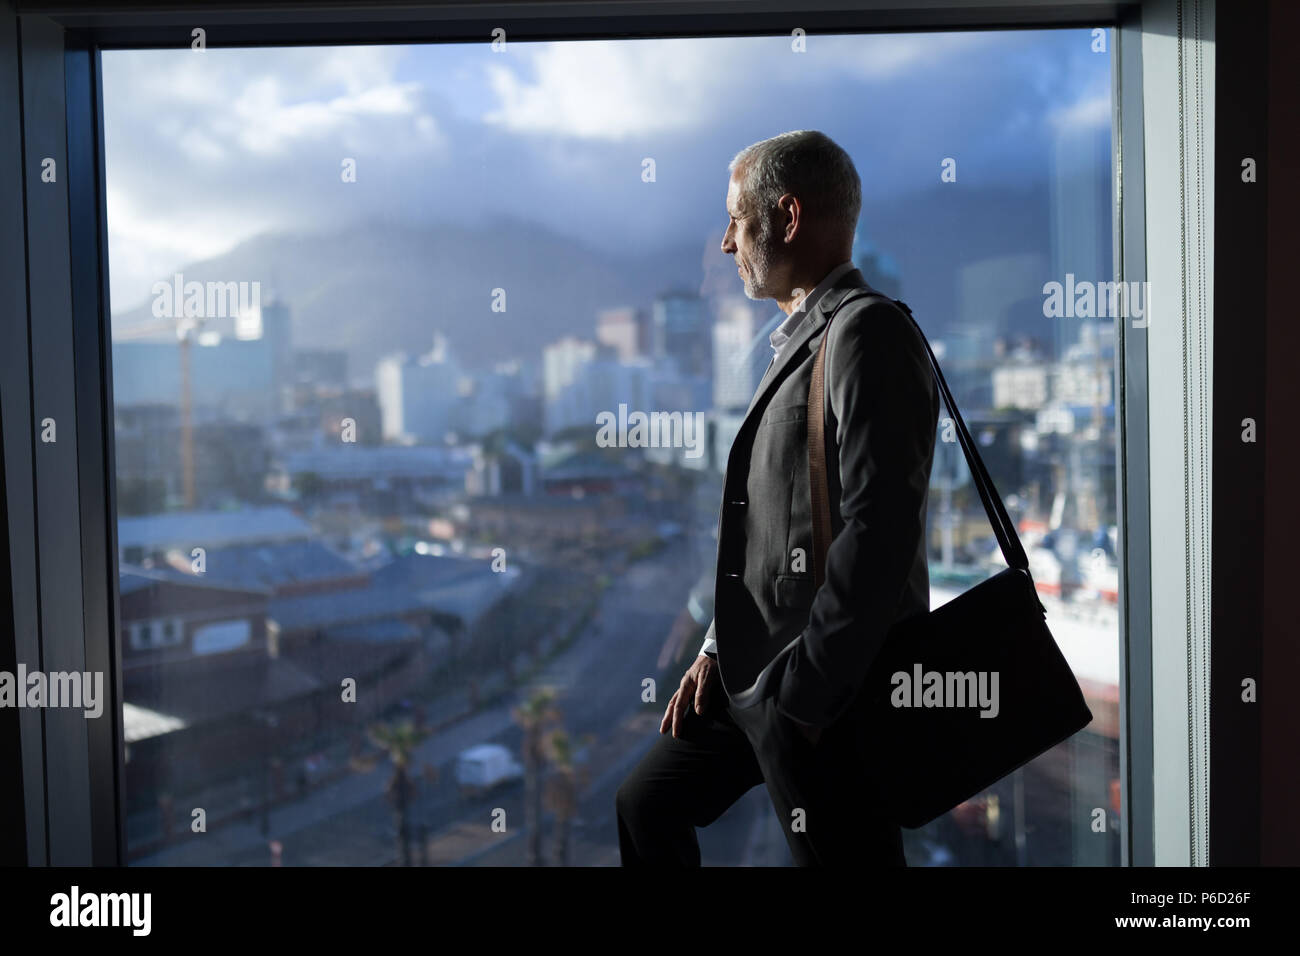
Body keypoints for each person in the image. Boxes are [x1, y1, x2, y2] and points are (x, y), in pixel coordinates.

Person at [616, 130, 939, 866]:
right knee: (646, 804)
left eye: (737, 219)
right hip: (756, 676)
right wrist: (714, 647)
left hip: (827, 693)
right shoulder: (794, 341)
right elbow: (763, 521)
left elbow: (879, 531)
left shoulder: (868, 333)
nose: (727, 243)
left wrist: (806, 697)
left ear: (787, 219)